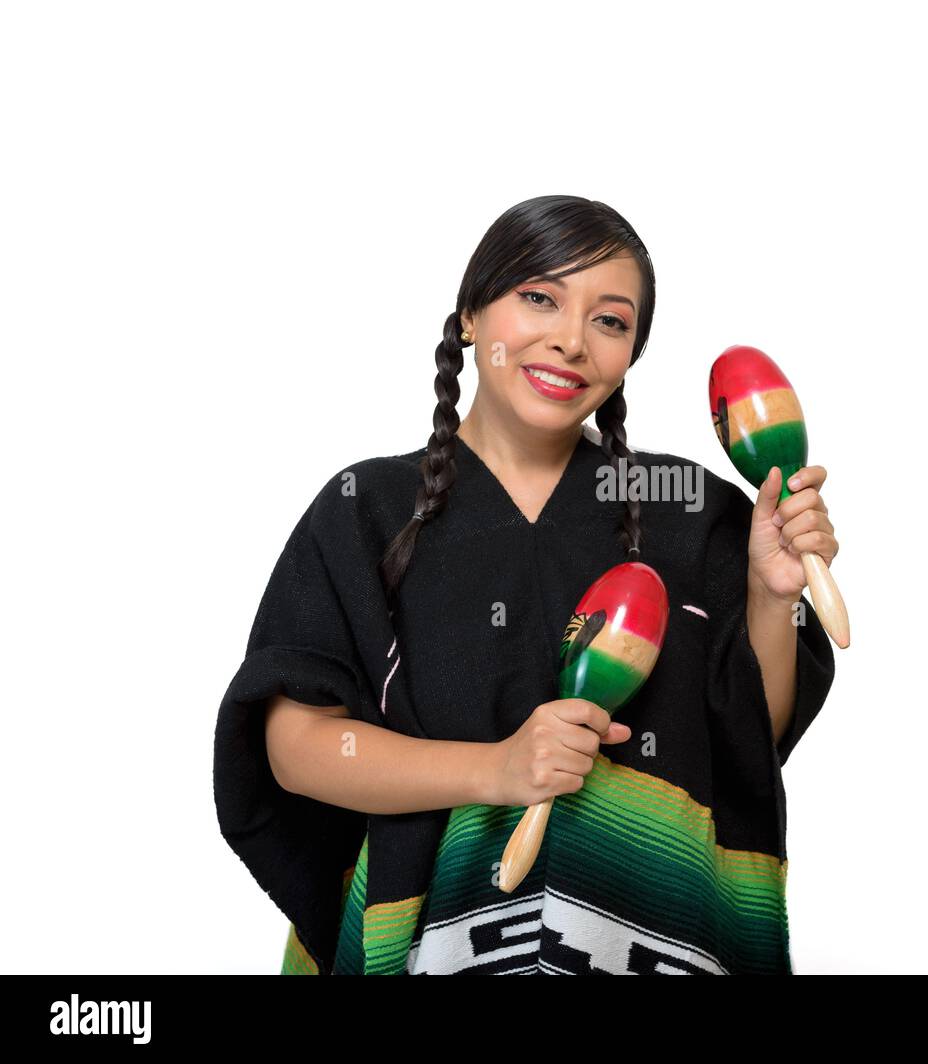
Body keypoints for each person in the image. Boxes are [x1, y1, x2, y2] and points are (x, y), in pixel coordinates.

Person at [213, 194, 839, 975]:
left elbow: (754, 736)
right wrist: (497, 769)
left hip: (648, 941)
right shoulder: (367, 512)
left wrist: (772, 597)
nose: (571, 340)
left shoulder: (696, 510)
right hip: (429, 943)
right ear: (471, 314)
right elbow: (296, 745)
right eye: (539, 297)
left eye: (610, 321)